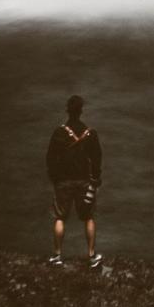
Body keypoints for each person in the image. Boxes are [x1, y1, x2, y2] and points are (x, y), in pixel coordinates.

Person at [46, 93, 103, 267]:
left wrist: (55, 178)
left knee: (60, 218)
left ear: (67, 111)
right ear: (81, 111)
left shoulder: (59, 132)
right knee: (88, 217)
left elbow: (50, 158)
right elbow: (97, 158)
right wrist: (94, 179)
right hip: (84, 182)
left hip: (63, 181)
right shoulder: (90, 133)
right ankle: (92, 256)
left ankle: (57, 256)